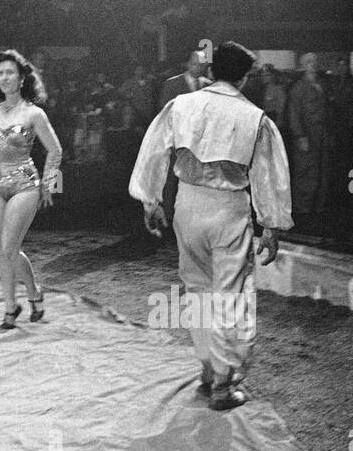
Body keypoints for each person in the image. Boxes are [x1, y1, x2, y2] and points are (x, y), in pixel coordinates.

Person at [129, 41, 292, 411]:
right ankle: (223, 379)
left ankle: (208, 368)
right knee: (231, 295)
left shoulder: (181, 105)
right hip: (228, 208)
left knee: (197, 288)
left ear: (212, 70)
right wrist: (273, 225)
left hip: (187, 204)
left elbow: (153, 151)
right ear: (244, 76)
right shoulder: (255, 118)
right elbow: (270, 177)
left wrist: (151, 200)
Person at [0, 18, 64, 329]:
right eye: (0, 73)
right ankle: (10, 306)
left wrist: (48, 184)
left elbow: (55, 150)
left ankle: (32, 292)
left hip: (24, 185)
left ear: (21, 78)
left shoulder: (34, 113)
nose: (4, 77)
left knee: (8, 246)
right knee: (3, 248)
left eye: (10, 72)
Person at [157, 49, 212, 227]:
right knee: (173, 178)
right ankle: (169, 217)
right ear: (188, 64)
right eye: (196, 64)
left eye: (202, 65)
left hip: (201, 141)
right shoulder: (172, 85)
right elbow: (165, 113)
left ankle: (194, 215)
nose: (199, 68)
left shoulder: (208, 85)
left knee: (197, 177)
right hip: (178, 139)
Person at [287, 52, 331, 216]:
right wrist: (300, 136)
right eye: (309, 62)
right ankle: (303, 206)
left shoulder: (322, 85)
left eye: (315, 61)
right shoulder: (299, 88)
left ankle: (319, 205)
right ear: (303, 65)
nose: (313, 64)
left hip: (322, 133)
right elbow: (294, 113)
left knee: (322, 168)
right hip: (307, 134)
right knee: (306, 169)